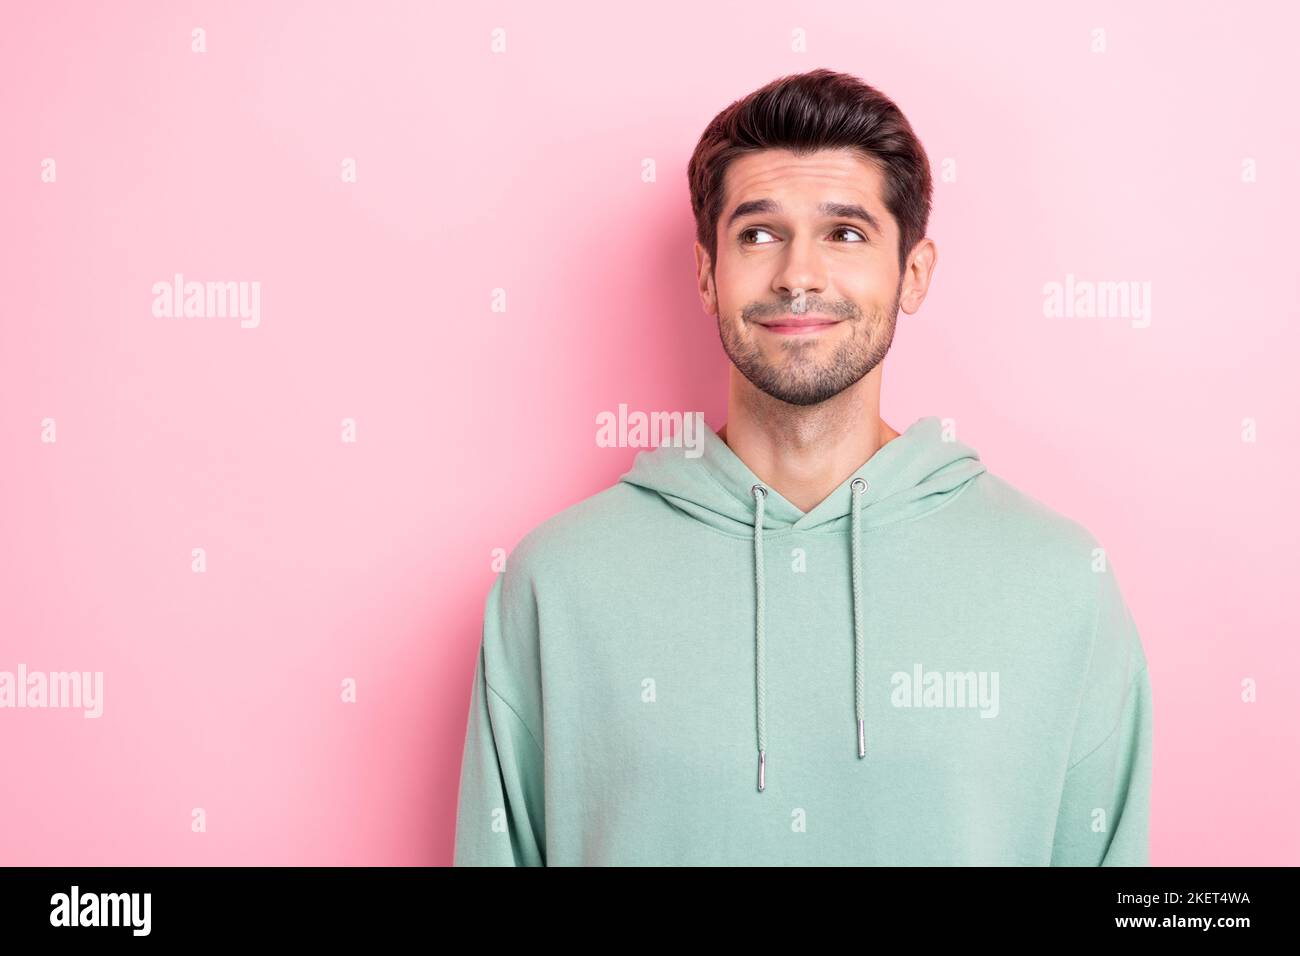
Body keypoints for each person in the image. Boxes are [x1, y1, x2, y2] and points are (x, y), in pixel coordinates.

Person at [452, 68, 1152, 866]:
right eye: (758, 234)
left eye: (845, 234)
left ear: (913, 274)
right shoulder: (556, 584)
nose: (798, 275)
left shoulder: (1060, 581)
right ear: (708, 275)